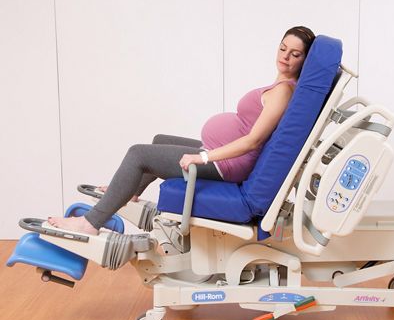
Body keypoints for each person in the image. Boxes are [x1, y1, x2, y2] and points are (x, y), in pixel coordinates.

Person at [49, 26, 315, 235]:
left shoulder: (282, 91)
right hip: (224, 157)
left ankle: (90, 222)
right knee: (159, 140)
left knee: (138, 155)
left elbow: (252, 141)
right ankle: (127, 191)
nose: (286, 57)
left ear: (304, 60)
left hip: (228, 165)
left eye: (295, 54)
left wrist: (204, 158)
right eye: (283, 48)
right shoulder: (280, 85)